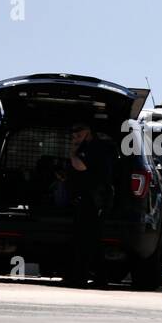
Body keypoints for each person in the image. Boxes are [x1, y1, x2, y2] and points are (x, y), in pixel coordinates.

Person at [63, 123, 108, 287]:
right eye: (73, 134)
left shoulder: (96, 148)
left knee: (89, 240)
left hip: (93, 200)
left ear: (88, 131)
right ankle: (83, 276)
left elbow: (81, 166)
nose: (75, 136)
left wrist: (73, 153)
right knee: (85, 239)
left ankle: (89, 277)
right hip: (84, 199)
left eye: (78, 132)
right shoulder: (87, 146)